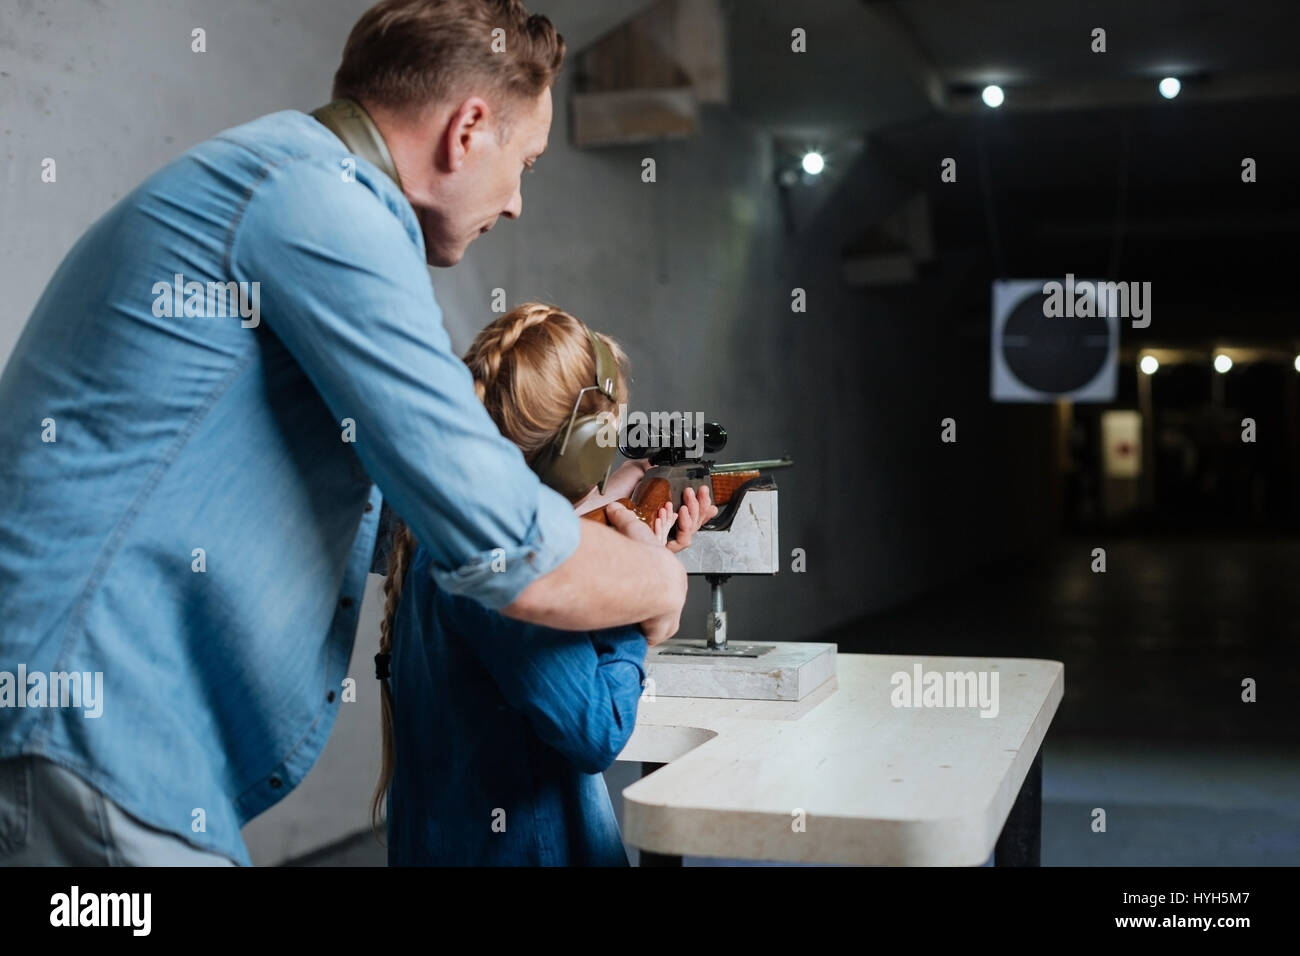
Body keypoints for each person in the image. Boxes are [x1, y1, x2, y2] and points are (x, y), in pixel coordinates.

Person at [0, 0, 685, 867]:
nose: (515, 204)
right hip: (91, 736)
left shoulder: (281, 182)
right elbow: (503, 543)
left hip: (86, 736)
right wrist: (655, 581)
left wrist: (599, 511)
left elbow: (409, 520)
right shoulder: (320, 207)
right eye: (526, 163)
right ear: (468, 128)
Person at [376, 304, 717, 865]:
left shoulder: (442, 524)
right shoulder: (505, 568)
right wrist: (640, 592)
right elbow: (596, 731)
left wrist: (617, 521)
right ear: (580, 452)